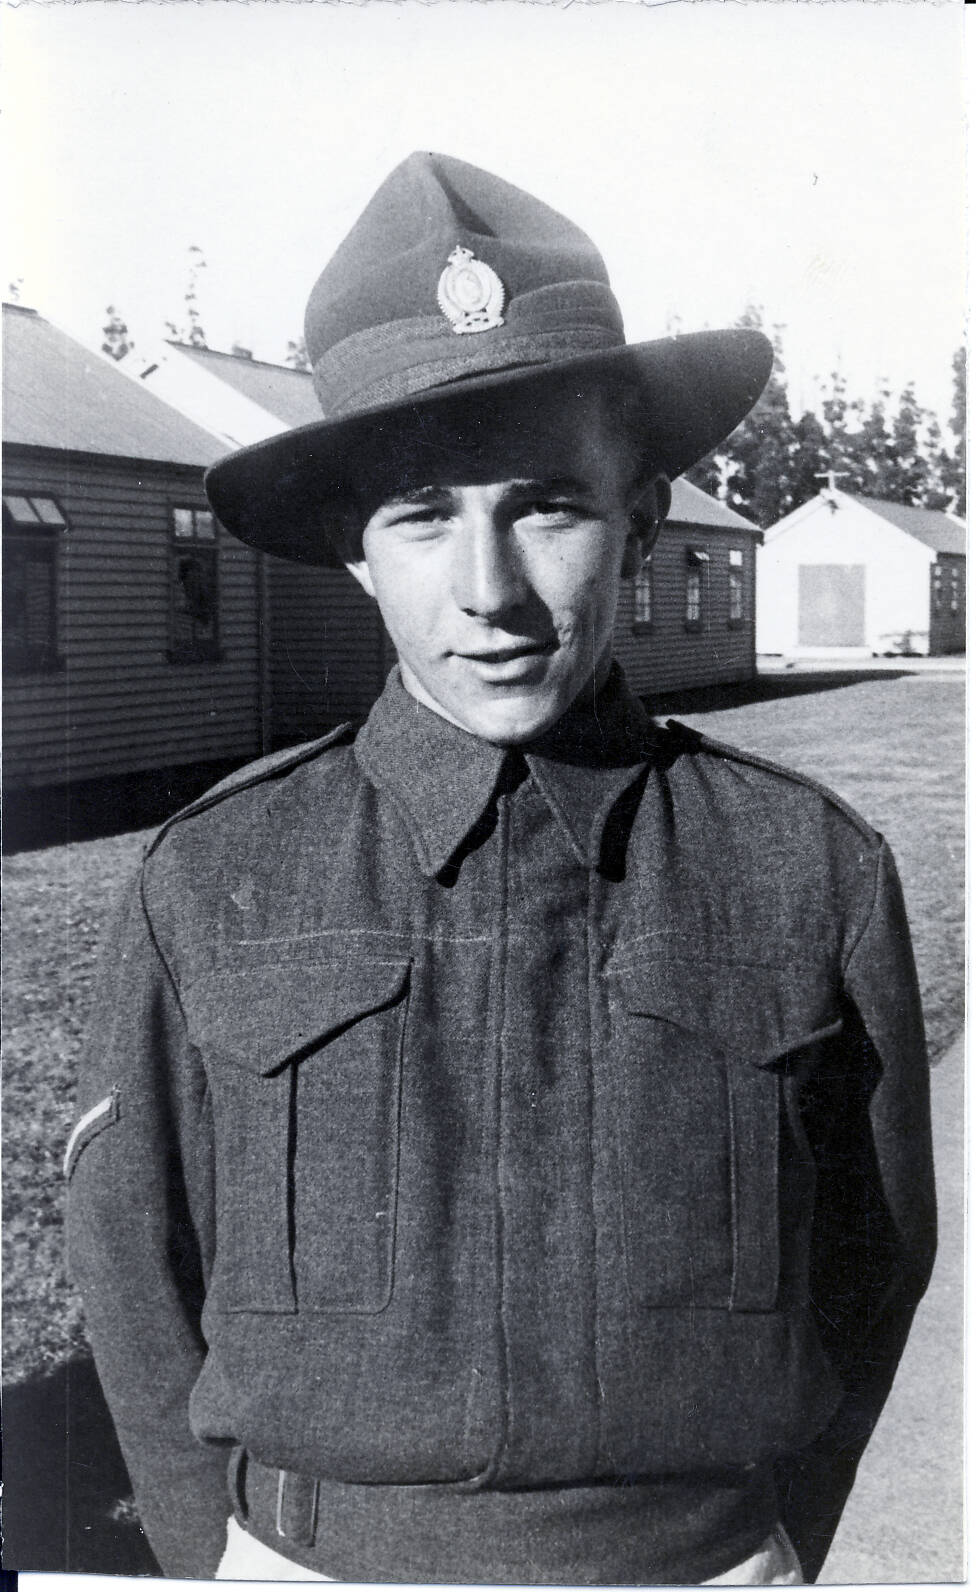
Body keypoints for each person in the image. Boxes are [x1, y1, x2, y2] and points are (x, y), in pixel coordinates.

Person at [67, 152, 936, 1586]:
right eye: (421, 516)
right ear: (354, 548)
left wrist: (757, 1545)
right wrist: (215, 1563)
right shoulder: (215, 876)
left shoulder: (805, 869)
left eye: (546, 505)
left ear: (644, 518)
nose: (488, 589)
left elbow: (874, 1255)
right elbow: (132, 1265)